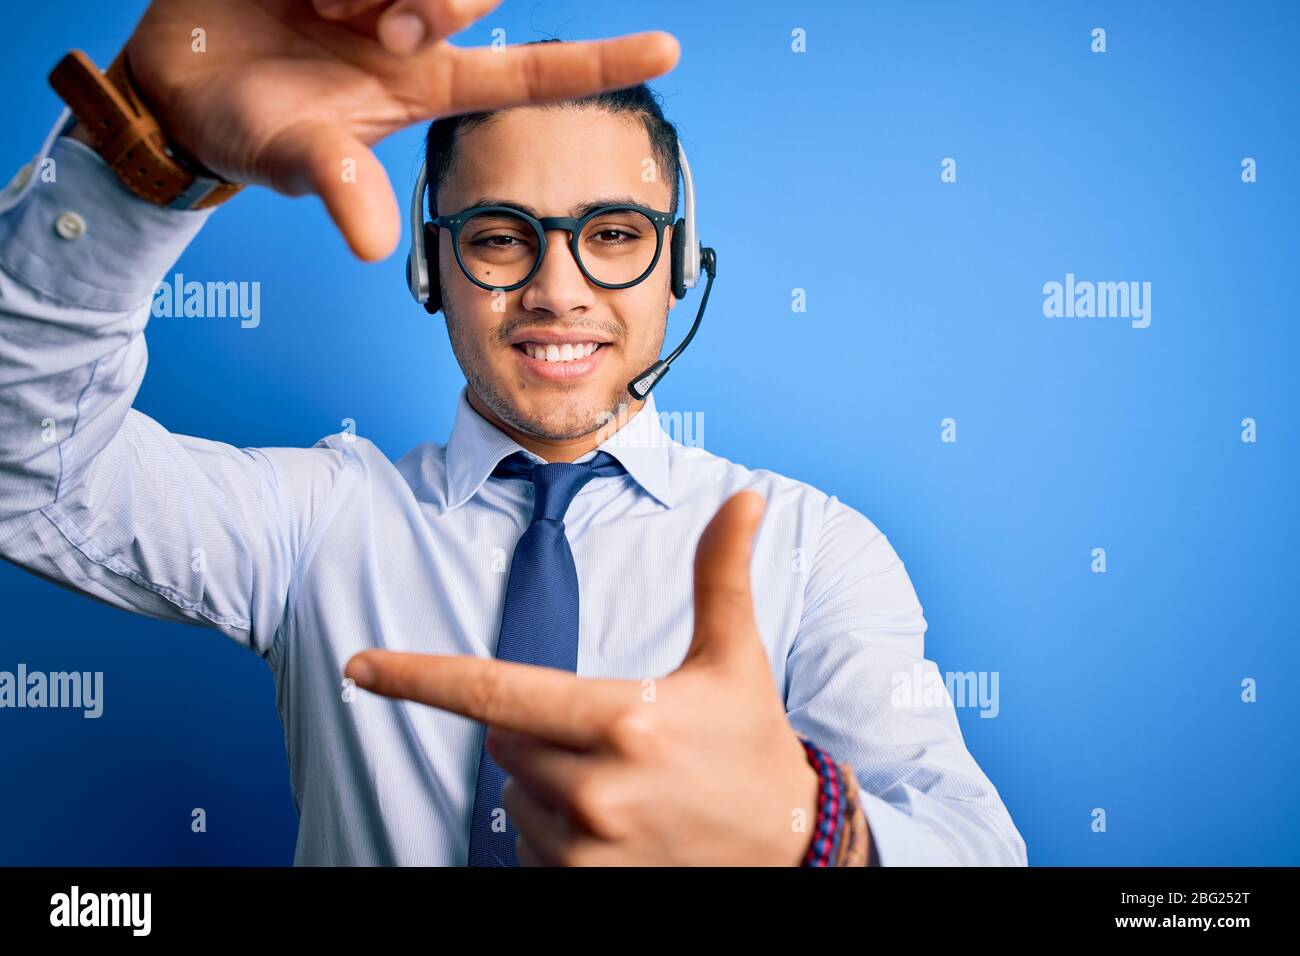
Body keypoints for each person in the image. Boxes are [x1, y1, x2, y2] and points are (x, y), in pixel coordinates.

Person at [0, 0, 1027, 866]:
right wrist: (137, 148)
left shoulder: (813, 549)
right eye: (499, 237)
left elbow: (971, 842)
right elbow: (26, 472)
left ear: (676, 266)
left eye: (613, 234)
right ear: (430, 269)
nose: (557, 288)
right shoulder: (315, 518)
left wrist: (814, 829)